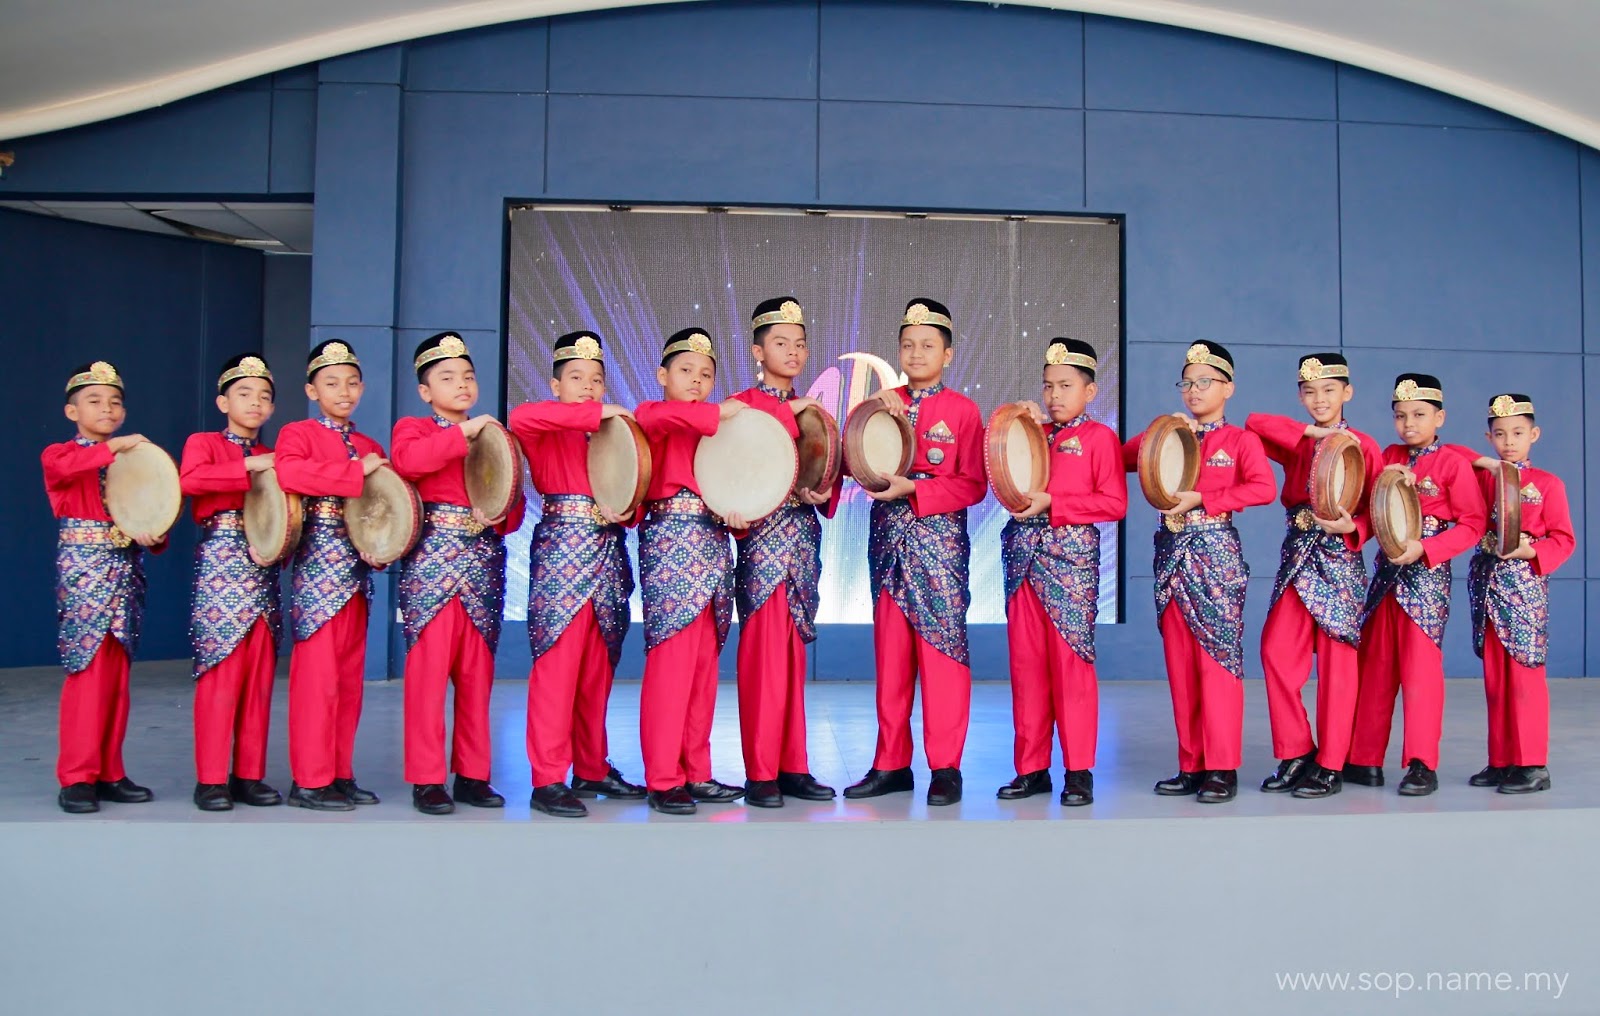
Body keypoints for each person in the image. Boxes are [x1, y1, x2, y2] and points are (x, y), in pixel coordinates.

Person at [844, 298, 985, 807]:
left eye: (928, 346)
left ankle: (945, 766)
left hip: (940, 547)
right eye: (909, 345)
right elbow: (856, 458)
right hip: (888, 545)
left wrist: (916, 490)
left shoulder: (963, 411)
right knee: (892, 657)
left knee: (943, 654)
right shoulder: (882, 403)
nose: (917, 353)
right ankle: (891, 763)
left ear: (947, 354)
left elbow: (973, 485)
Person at [1123, 341, 1275, 803]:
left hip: (1215, 553)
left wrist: (1208, 499)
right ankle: (1191, 763)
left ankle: (1222, 767)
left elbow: (1264, 488)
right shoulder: (1172, 431)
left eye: (1204, 382)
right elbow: (1123, 456)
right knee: (1181, 664)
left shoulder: (1239, 441)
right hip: (1171, 551)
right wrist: (1163, 431)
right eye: (1187, 383)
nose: (1193, 390)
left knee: (1218, 662)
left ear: (1227, 388)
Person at [508, 330, 645, 818]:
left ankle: (591, 766)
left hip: (607, 554)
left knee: (596, 669)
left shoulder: (610, 435)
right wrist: (598, 413)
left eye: (596, 380)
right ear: (555, 385)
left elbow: (632, 496)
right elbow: (520, 416)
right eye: (576, 378)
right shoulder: (542, 426)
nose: (588, 388)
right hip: (563, 552)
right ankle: (547, 777)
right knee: (557, 668)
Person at [391, 332, 525, 815]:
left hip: (483, 563)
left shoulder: (493, 436)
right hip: (433, 565)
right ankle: (427, 778)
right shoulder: (415, 429)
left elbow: (514, 502)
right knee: (428, 676)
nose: (462, 386)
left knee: (476, 676)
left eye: (468, 377)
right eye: (447, 379)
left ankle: (472, 773)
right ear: (426, 392)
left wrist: (502, 515)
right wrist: (462, 436)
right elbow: (408, 463)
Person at [1244, 353, 1383, 799]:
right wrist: (1311, 431)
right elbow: (1253, 422)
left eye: (1329, 390)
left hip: (1339, 558)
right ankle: (1296, 751)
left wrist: (1355, 528)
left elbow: (1383, 512)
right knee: (1276, 653)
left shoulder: (1364, 444)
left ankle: (1331, 763)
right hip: (1297, 556)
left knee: (1338, 667)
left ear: (1348, 392)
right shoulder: (1299, 441)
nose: (1319, 400)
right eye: (1309, 392)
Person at [996, 338, 1126, 807]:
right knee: (1027, 668)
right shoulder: (1034, 431)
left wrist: (1058, 505)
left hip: (1070, 566)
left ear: (1090, 391)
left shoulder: (1099, 439)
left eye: (1066, 386)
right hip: (1023, 563)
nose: (1054, 396)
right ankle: (1031, 769)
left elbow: (1114, 503)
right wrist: (1016, 422)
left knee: (1071, 668)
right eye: (1049, 386)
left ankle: (1078, 770)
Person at [1346, 374, 1486, 796]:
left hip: (1425, 576)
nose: (1409, 424)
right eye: (1401, 416)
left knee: (1421, 672)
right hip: (1386, 573)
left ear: (1439, 416)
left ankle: (1422, 763)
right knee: (1375, 667)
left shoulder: (1452, 464)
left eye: (1420, 415)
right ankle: (1363, 759)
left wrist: (1426, 549)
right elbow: (1370, 507)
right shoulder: (1389, 455)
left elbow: (1474, 524)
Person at [729, 298, 841, 808]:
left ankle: (793, 764)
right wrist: (782, 411)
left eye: (799, 344)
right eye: (780, 343)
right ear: (758, 351)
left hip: (801, 542)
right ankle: (759, 772)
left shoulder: (813, 412)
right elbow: (732, 467)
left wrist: (823, 492)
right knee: (762, 659)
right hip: (764, 543)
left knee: (793, 658)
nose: (792, 352)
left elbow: (826, 468)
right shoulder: (740, 406)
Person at [633, 328, 749, 815]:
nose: (697, 382)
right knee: (672, 664)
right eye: (686, 372)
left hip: (712, 543)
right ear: (662, 376)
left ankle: (696, 771)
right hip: (670, 542)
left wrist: (738, 519)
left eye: (706, 376)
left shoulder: (714, 429)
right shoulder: (655, 416)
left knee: (703, 667)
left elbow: (735, 489)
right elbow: (655, 416)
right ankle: (663, 776)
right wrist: (718, 412)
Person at [275, 340, 389, 811]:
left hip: (357, 573)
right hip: (319, 576)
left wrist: (385, 547)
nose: (343, 392)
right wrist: (354, 470)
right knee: (315, 681)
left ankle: (340, 773)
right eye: (331, 383)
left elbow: (384, 508)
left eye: (350, 382)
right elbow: (290, 475)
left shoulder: (369, 445)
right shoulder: (297, 435)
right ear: (311, 389)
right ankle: (310, 779)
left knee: (347, 682)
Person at [44, 361, 161, 813]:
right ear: (71, 411)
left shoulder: (128, 458)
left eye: (115, 403)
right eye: (94, 401)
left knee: (116, 675)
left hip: (125, 567)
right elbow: (68, 470)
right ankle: (76, 775)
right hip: (85, 569)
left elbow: (151, 508)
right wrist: (115, 447)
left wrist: (154, 533)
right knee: (86, 669)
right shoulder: (60, 454)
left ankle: (110, 770)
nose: (107, 409)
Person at [178, 354, 285, 811]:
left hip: (264, 565)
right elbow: (191, 482)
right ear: (223, 401)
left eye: (264, 397)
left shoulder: (274, 455)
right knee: (220, 673)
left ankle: (248, 774)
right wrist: (248, 470)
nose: (255, 403)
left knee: (259, 675)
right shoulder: (204, 443)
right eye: (244, 394)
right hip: (222, 562)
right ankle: (210, 778)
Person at [1457, 394, 1573, 794]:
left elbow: (1563, 539)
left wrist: (1532, 551)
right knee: (1495, 680)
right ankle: (1501, 760)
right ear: (1487, 437)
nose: (1509, 442)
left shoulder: (1547, 484)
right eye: (1500, 434)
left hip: (1524, 587)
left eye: (1518, 433)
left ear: (1534, 435)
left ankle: (1532, 763)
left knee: (1524, 678)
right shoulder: (1484, 478)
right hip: (1489, 586)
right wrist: (1489, 465)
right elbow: (1452, 454)